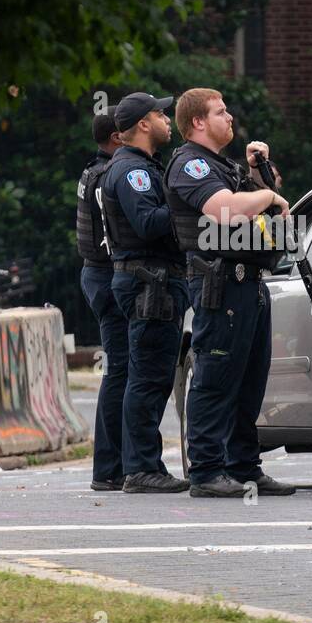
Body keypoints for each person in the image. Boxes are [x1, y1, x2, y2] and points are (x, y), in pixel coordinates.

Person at [164, 87, 296, 498]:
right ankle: (205, 470)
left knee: (249, 381)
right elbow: (226, 210)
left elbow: (257, 207)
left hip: (250, 284)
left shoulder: (220, 164)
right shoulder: (190, 165)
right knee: (216, 377)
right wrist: (269, 194)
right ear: (198, 122)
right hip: (220, 285)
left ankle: (244, 465)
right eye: (221, 112)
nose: (230, 118)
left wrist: (259, 173)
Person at [98, 92, 190, 494]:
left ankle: (142, 464)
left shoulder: (142, 167)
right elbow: (149, 222)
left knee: (148, 374)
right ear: (142, 125)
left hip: (152, 279)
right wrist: (190, 207)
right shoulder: (132, 171)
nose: (167, 119)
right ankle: (141, 468)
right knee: (148, 377)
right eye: (160, 113)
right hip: (148, 282)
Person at [76, 111, 128, 491]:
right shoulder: (108, 176)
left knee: (119, 372)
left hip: (96, 275)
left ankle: (111, 465)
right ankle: (110, 468)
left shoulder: (93, 170)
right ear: (116, 137)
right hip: (108, 279)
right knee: (121, 372)